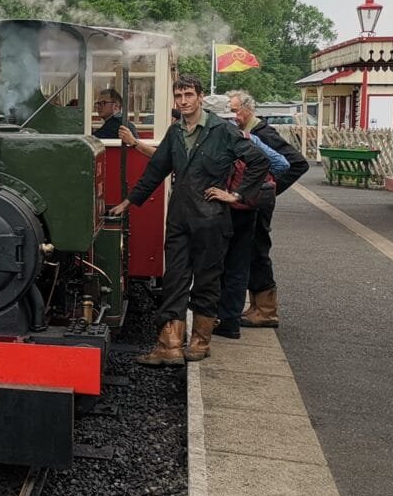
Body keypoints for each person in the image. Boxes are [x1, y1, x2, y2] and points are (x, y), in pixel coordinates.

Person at [109, 75, 269, 365]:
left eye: (188, 95)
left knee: (207, 280)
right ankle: (169, 345)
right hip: (180, 217)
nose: (183, 101)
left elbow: (259, 161)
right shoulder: (175, 132)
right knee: (174, 279)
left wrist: (235, 195)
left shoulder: (222, 130)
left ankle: (200, 342)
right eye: (179, 95)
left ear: (200, 97)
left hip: (211, 219)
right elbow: (156, 170)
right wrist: (129, 202)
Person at [226, 90, 309, 328]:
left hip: (258, 199)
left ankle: (266, 309)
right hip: (250, 198)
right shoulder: (249, 131)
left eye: (234, 111)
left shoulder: (264, 133)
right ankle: (256, 305)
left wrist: (270, 188)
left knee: (258, 248)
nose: (232, 117)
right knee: (251, 249)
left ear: (247, 110)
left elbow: (297, 163)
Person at [216, 128, 291, 339]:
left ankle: (225, 316)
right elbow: (280, 164)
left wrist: (236, 192)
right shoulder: (250, 137)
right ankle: (237, 319)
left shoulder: (214, 137)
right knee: (241, 263)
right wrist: (255, 188)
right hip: (249, 207)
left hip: (224, 206)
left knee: (222, 263)